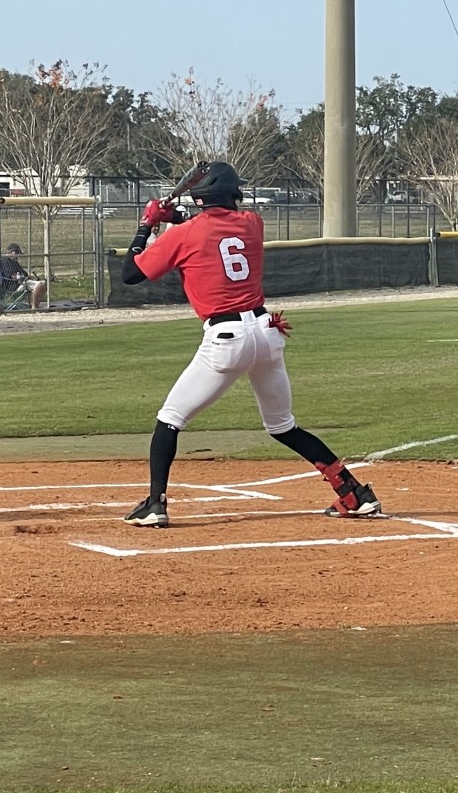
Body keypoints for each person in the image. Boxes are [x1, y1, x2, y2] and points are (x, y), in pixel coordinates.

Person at [119, 160, 381, 527]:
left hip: (226, 338)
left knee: (170, 418)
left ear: (199, 196)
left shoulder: (184, 234)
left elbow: (131, 273)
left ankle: (155, 504)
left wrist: (148, 224)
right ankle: (352, 493)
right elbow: (212, 231)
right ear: (233, 194)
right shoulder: (252, 224)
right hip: (267, 331)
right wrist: (174, 219)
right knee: (283, 426)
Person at [0, 243, 47, 309]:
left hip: (20, 283)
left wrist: (27, 277)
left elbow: (24, 274)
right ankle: (34, 307)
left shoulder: (14, 262)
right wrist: (20, 277)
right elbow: (10, 275)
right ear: (10, 252)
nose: (18, 255)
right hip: (11, 287)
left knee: (44, 284)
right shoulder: (4, 261)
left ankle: (34, 305)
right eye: (16, 252)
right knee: (40, 285)